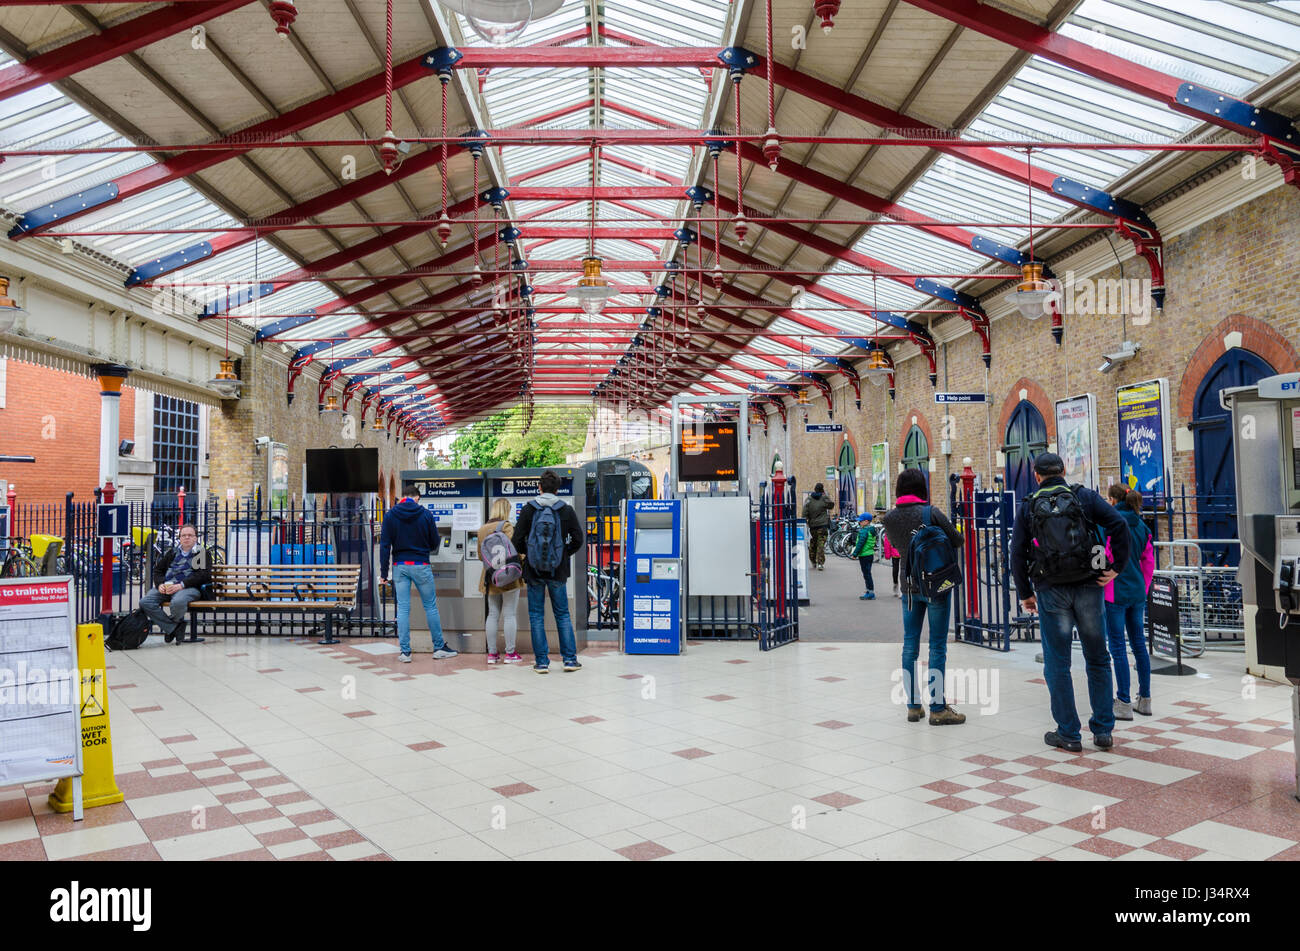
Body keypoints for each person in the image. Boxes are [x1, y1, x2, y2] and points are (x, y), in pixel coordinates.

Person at [1011, 453, 1130, 753]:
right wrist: (1116, 567)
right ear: (1063, 470)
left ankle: (1069, 733)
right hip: (1089, 585)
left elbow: (1017, 552)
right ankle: (1103, 731)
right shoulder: (1084, 497)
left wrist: (1025, 592)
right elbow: (1119, 525)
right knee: (1098, 657)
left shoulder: (1028, 505)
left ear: (1036, 476)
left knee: (1057, 662)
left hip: (1051, 590)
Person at [880, 469, 965, 725]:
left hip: (909, 589)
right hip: (936, 585)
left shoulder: (889, 519)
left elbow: (899, 548)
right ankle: (938, 708)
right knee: (937, 645)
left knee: (910, 646)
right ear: (922, 488)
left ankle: (913, 706)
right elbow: (957, 540)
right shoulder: (931, 513)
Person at [512, 470, 584, 673]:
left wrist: (531, 554)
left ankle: (542, 662)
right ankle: (569, 660)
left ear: (540, 487)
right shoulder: (565, 510)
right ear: (558, 488)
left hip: (534, 571)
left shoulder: (529, 509)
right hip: (557, 571)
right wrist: (563, 554)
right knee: (562, 614)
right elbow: (578, 539)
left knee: (536, 615)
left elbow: (516, 541)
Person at [380, 482, 458, 663]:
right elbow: (435, 542)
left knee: (404, 609)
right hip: (421, 564)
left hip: (400, 565)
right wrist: (424, 549)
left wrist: (384, 573)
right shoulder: (425, 514)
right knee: (430, 606)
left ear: (402, 497)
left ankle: (405, 652)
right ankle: (439, 648)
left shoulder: (390, 515)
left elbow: (384, 546)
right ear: (417, 498)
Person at [1105, 486, 1154, 719]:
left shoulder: (1112, 525)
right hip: (1137, 593)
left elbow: (1108, 557)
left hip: (1115, 592)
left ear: (1114, 500)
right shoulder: (1143, 527)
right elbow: (1148, 562)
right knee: (1138, 644)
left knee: (1117, 646)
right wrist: (1142, 588)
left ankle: (1123, 701)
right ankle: (1145, 699)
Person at [140, 523, 211, 644]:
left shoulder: (201, 553)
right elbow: (158, 570)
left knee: (177, 602)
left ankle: (171, 627)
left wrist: (181, 585)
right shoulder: (172, 552)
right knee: (145, 602)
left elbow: (203, 575)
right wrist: (160, 584)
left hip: (189, 588)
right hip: (167, 586)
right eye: (184, 535)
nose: (187, 538)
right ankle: (173, 628)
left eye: (190, 535)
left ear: (195, 538)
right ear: (180, 538)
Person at [478, 498, 525, 665]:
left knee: (492, 614)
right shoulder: (507, 526)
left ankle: (492, 654)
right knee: (510, 614)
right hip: (510, 576)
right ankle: (510, 654)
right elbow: (516, 550)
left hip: (491, 577)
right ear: (506, 510)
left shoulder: (482, 529)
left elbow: (480, 555)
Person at [802, 482, 835, 571]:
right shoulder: (824, 498)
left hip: (813, 526)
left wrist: (806, 521)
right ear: (822, 489)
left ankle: (813, 561)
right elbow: (831, 505)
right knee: (821, 544)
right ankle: (820, 563)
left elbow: (804, 513)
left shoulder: (808, 499)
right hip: (823, 525)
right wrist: (825, 496)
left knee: (813, 543)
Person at [852, 512, 877, 600]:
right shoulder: (872, 529)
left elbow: (860, 543)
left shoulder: (864, 531)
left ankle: (870, 592)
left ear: (866, 521)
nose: (859, 522)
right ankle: (868, 590)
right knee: (867, 573)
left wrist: (855, 554)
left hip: (864, 555)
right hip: (870, 554)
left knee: (866, 574)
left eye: (861, 521)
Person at [879, 519, 901, 598]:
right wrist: (887, 554)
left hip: (901, 553)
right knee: (898, 570)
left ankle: (899, 587)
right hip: (898, 553)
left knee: (900, 570)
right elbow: (887, 543)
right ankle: (897, 585)